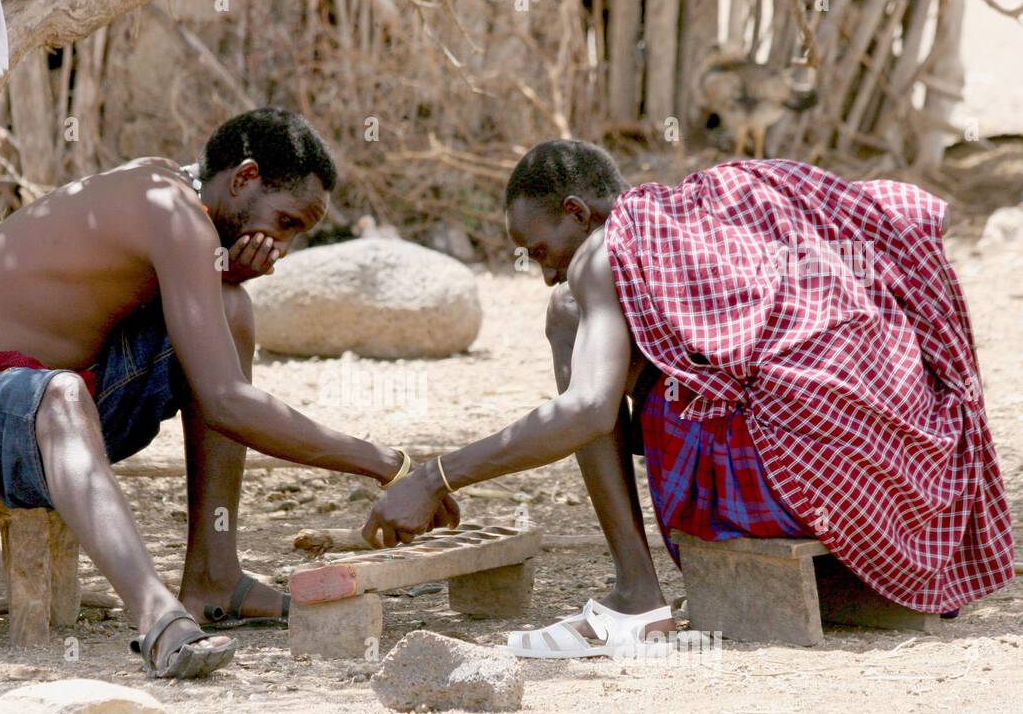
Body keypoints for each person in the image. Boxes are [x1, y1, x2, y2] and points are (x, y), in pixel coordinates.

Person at [0, 108, 458, 677]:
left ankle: (214, 578)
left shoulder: (177, 198)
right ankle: (157, 616)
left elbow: (203, 355)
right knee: (63, 396)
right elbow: (228, 403)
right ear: (243, 178)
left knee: (229, 310)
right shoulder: (168, 207)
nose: (283, 248)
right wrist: (392, 466)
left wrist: (226, 274)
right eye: (285, 221)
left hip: (26, 404)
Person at [362, 141, 1014, 658]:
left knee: (568, 318)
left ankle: (635, 596)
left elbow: (589, 408)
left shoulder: (601, 254)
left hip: (797, 486)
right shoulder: (712, 210)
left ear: (577, 214)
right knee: (658, 365)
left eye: (540, 249)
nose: (546, 270)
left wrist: (434, 477)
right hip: (911, 485)